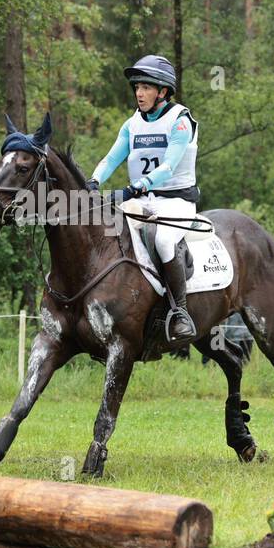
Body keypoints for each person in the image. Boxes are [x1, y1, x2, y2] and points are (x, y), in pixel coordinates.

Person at [87, 54, 200, 345]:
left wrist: (137, 186)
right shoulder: (132, 124)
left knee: (163, 241)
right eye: (137, 86)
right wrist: (94, 180)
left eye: (146, 87)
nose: (139, 92)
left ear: (162, 91)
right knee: (108, 229)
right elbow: (112, 157)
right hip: (143, 199)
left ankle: (180, 313)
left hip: (176, 201)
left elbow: (169, 167)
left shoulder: (181, 121)